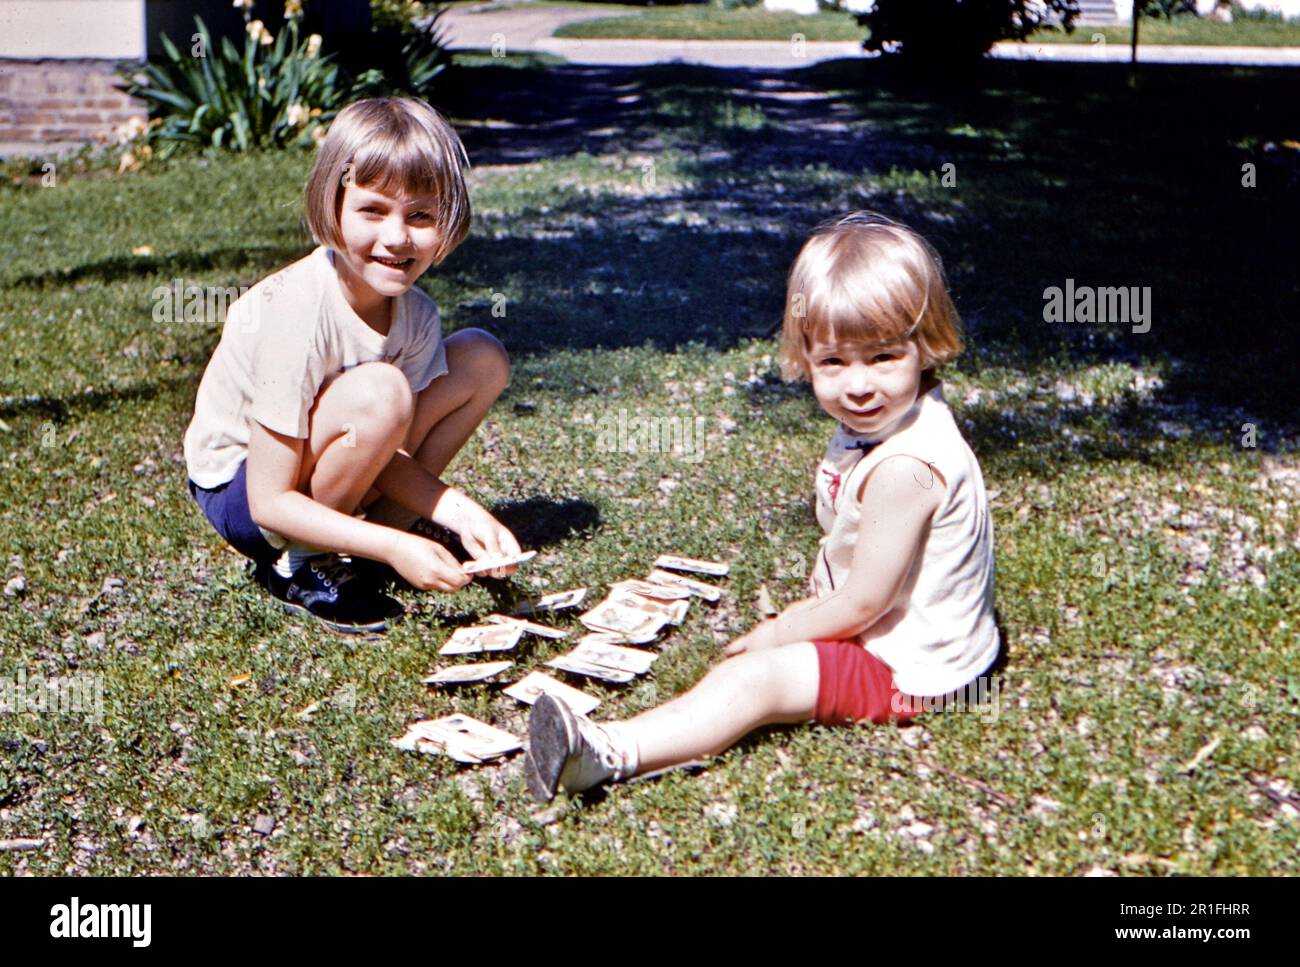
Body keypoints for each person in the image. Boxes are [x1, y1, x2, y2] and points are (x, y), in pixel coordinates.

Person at [526, 211, 1000, 800]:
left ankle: (605, 753)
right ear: (806, 356)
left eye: (882, 357)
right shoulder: (887, 418)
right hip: (900, 634)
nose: (857, 385)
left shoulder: (907, 467)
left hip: (911, 670)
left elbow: (866, 600)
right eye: (834, 361)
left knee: (754, 682)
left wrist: (781, 633)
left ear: (927, 346)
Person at [184, 97, 520, 634]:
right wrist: (397, 544)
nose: (396, 237)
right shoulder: (294, 311)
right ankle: (301, 562)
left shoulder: (415, 314)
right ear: (332, 205)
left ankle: (376, 542)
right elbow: (268, 501)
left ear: (449, 219)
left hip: (317, 465)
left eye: (420, 215)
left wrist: (460, 512)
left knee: (481, 356)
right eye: (372, 210)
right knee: (382, 392)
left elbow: (385, 450)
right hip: (246, 494)